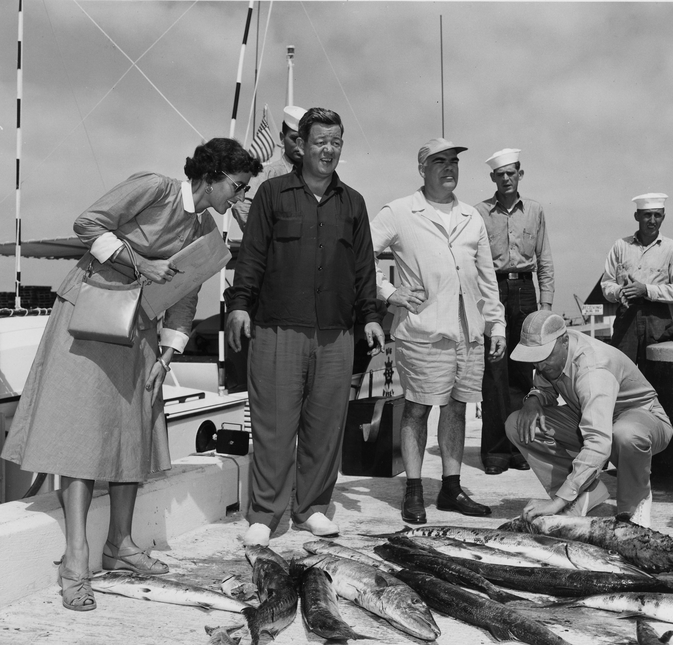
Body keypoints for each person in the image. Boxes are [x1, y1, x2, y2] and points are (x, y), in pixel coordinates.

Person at [1, 138, 261, 611]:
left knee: (130, 436)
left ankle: (119, 544)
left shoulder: (206, 231)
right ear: (212, 175)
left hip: (139, 334)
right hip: (87, 318)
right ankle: (75, 559)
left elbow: (185, 299)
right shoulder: (155, 188)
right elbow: (87, 223)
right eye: (237, 187)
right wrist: (139, 261)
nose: (238, 198)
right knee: (79, 440)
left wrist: (167, 357)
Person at [226, 108, 385, 547]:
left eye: (335, 142)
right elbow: (252, 256)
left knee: (325, 425)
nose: (328, 150)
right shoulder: (272, 194)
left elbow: (363, 267)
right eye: (320, 142)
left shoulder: (353, 202)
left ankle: (312, 508)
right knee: (274, 425)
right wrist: (240, 306)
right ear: (300, 144)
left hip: (336, 332)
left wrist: (370, 316)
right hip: (278, 329)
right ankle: (264, 513)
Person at [370, 137, 506, 524]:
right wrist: (391, 292)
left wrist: (495, 323)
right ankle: (413, 490)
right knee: (416, 409)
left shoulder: (471, 216)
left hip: (469, 332)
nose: (449, 168)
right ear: (422, 169)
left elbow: (486, 277)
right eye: (439, 161)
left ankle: (450, 487)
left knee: (458, 407)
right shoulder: (398, 211)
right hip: (423, 329)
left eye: (454, 161)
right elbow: (359, 254)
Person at [504, 311, 673, 528]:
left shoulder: (593, 371)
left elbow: (599, 443)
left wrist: (556, 504)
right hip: (594, 420)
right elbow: (544, 388)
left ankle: (635, 504)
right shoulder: (553, 355)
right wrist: (533, 399)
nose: (540, 366)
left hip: (642, 421)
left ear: (564, 341)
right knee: (517, 424)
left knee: (624, 434)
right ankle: (583, 493)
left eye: (545, 357)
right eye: (534, 359)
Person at [475, 148, 554, 475]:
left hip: (524, 291)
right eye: (500, 174)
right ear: (493, 177)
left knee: (523, 370)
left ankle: (522, 446)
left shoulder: (534, 210)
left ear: (520, 174)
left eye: (512, 173)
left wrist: (545, 307)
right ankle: (495, 450)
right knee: (494, 372)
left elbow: (545, 260)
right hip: (491, 291)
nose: (506, 179)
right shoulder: (479, 212)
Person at [600, 193, 673, 370]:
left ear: (663, 216)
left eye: (657, 215)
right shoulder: (620, 246)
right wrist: (620, 292)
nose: (652, 220)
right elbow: (607, 284)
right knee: (621, 372)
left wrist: (646, 290)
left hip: (658, 318)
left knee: (658, 373)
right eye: (647, 215)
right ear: (637, 216)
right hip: (626, 315)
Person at [230, 105, 306, 232]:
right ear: (282, 138)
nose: (299, 145)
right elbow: (241, 205)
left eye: (305, 139)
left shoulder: (316, 178)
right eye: (294, 139)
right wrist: (265, 238)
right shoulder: (269, 174)